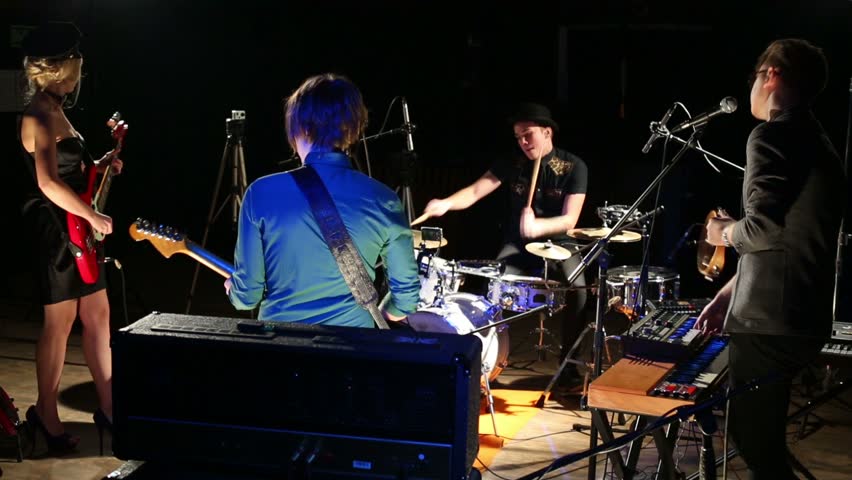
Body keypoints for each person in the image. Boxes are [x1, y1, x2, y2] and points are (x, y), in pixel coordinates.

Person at [697, 39, 846, 479]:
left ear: (772, 74)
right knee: (762, 444)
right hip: (800, 315)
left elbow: (763, 229)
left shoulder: (772, 134)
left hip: (770, 320)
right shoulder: (817, 139)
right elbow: (787, 239)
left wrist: (721, 232)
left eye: (755, 77)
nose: (752, 90)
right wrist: (730, 291)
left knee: (755, 445)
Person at [225, 73, 420, 327]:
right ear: (353, 129)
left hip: (280, 348)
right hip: (352, 351)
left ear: (299, 127)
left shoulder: (260, 193)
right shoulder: (384, 199)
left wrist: (235, 290)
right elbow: (405, 300)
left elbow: (247, 297)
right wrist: (389, 311)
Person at [18, 22, 122, 453]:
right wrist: (93, 215)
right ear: (60, 68)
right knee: (58, 325)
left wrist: (103, 163)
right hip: (57, 230)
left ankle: (111, 408)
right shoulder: (37, 114)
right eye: (76, 65)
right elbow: (46, 182)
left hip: (78, 225)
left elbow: (70, 170)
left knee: (98, 318)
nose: (80, 73)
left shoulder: (56, 108)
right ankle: (46, 414)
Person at [419, 102, 589, 363]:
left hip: (560, 243)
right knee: (495, 284)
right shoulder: (513, 162)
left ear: (547, 132)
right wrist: (446, 203)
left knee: (579, 290)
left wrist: (539, 227)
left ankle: (570, 368)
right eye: (518, 137)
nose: (523, 142)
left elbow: (570, 219)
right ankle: (490, 361)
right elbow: (476, 191)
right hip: (518, 244)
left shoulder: (574, 166)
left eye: (528, 134)